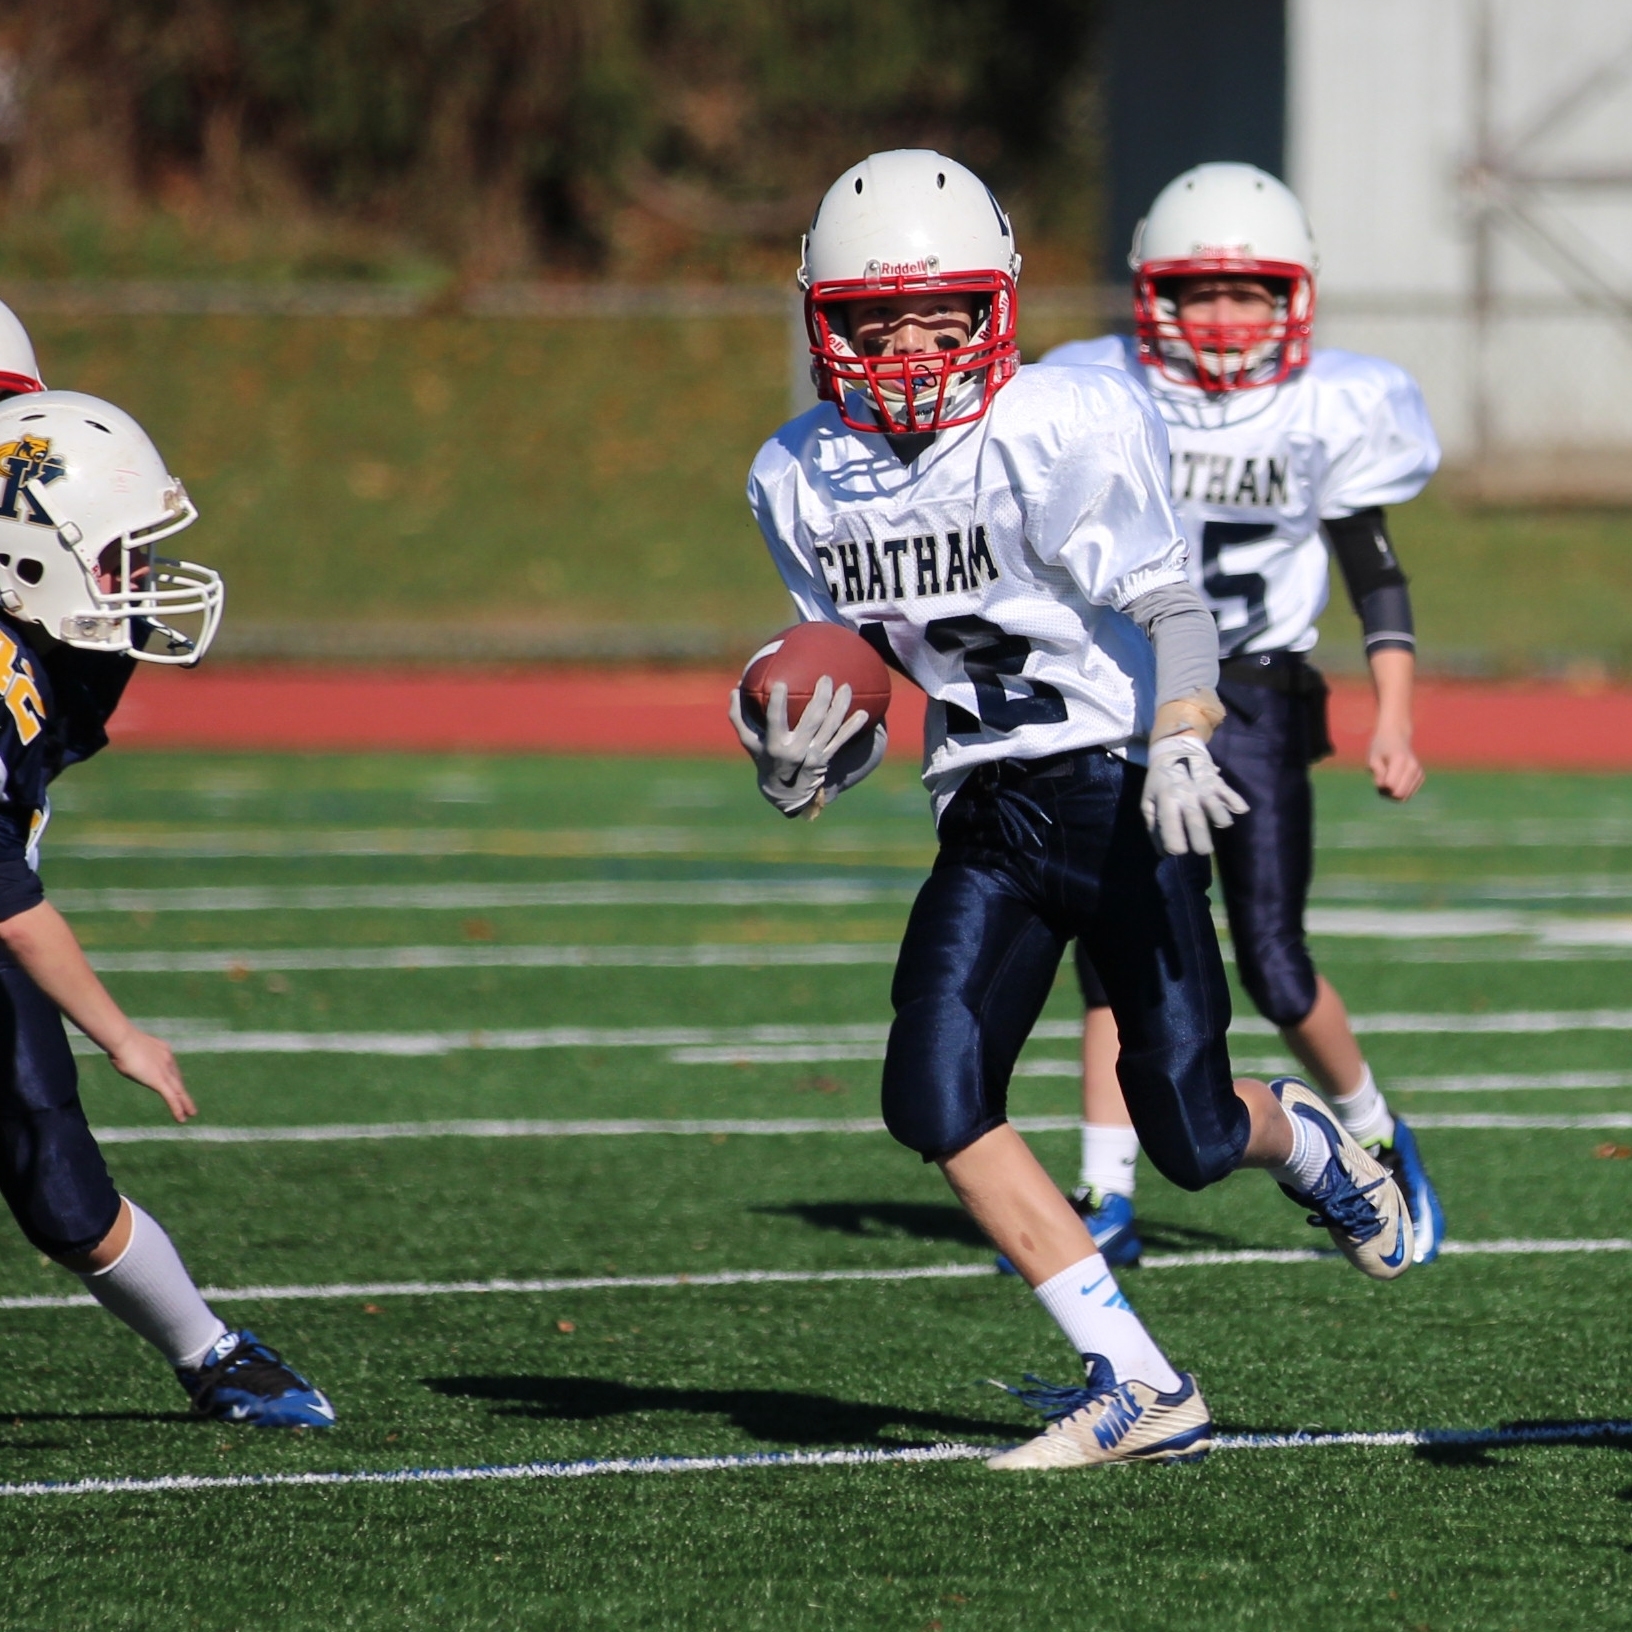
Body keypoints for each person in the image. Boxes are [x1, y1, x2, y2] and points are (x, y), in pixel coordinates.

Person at [730, 150, 1413, 1472]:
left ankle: (1308, 1142)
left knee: (1194, 1132)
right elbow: (863, 672)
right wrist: (798, 764)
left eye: (942, 314)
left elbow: (1171, 607)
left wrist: (1176, 733)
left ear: (1000, 308)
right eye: (879, 320)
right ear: (825, 321)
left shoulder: (1054, 422)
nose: (913, 347)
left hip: (1116, 787)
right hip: (986, 807)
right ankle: (1138, 1380)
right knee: (933, 1096)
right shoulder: (799, 474)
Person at [1033, 162, 1445, 1271]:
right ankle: (1104, 1194)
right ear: (1151, 294)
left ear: (1293, 296)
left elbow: (1377, 577)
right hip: (1136, 696)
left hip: (1260, 693)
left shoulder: (1333, 405)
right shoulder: (1100, 388)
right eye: (1200, 293)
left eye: (1249, 292)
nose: (1223, 318)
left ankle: (1373, 1135)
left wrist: (1393, 714)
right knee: (1113, 949)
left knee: (1271, 959)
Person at [0, 385, 333, 1427]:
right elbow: (12, 907)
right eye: (119, 558)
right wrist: (124, 1036)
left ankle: (214, 1357)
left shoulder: (35, 660)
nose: (138, 582)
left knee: (53, 1168)